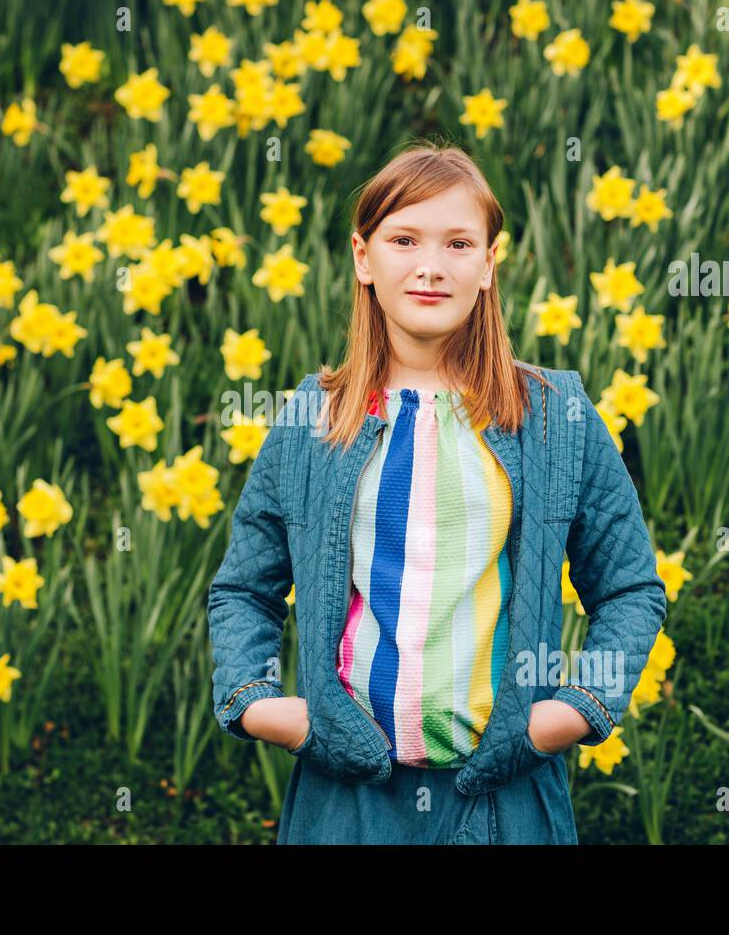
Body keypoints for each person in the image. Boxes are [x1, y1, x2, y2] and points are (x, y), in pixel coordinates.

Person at [207, 140, 667, 844]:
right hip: (347, 804)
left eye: (458, 242)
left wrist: (574, 709)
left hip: (504, 803)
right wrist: (265, 707)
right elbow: (244, 587)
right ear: (364, 257)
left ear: (489, 263)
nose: (429, 265)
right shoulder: (313, 416)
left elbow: (631, 586)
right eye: (404, 239)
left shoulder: (555, 415)